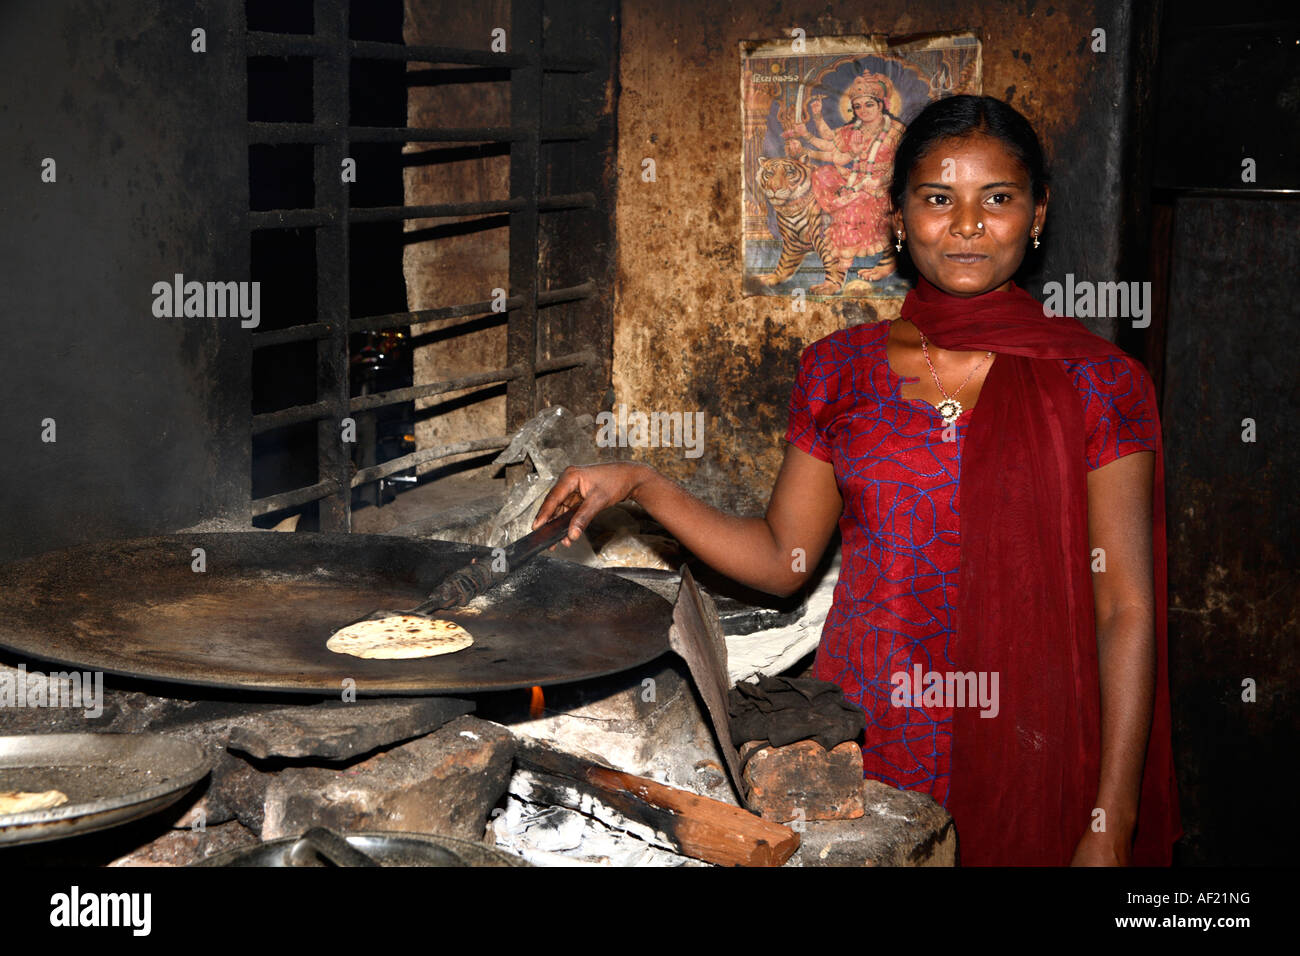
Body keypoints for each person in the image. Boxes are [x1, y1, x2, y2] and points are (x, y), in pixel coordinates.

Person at [533, 94, 1181, 867]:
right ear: (899, 220)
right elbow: (782, 561)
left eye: (998, 199)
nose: (967, 224)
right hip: (871, 739)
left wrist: (1112, 816)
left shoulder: (1100, 383)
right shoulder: (842, 370)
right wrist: (641, 483)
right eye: (938, 199)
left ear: (1037, 215)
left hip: (1033, 739)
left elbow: (1126, 609)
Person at [782, 71, 905, 283]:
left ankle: (838, 276)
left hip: (885, 186)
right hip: (856, 181)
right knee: (822, 174)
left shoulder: (896, 131)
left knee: (852, 209)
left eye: (869, 105)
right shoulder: (852, 129)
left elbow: (906, 165)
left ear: (881, 104)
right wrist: (810, 131)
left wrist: (880, 181)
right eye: (858, 106)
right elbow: (830, 144)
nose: (863, 111)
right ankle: (832, 269)